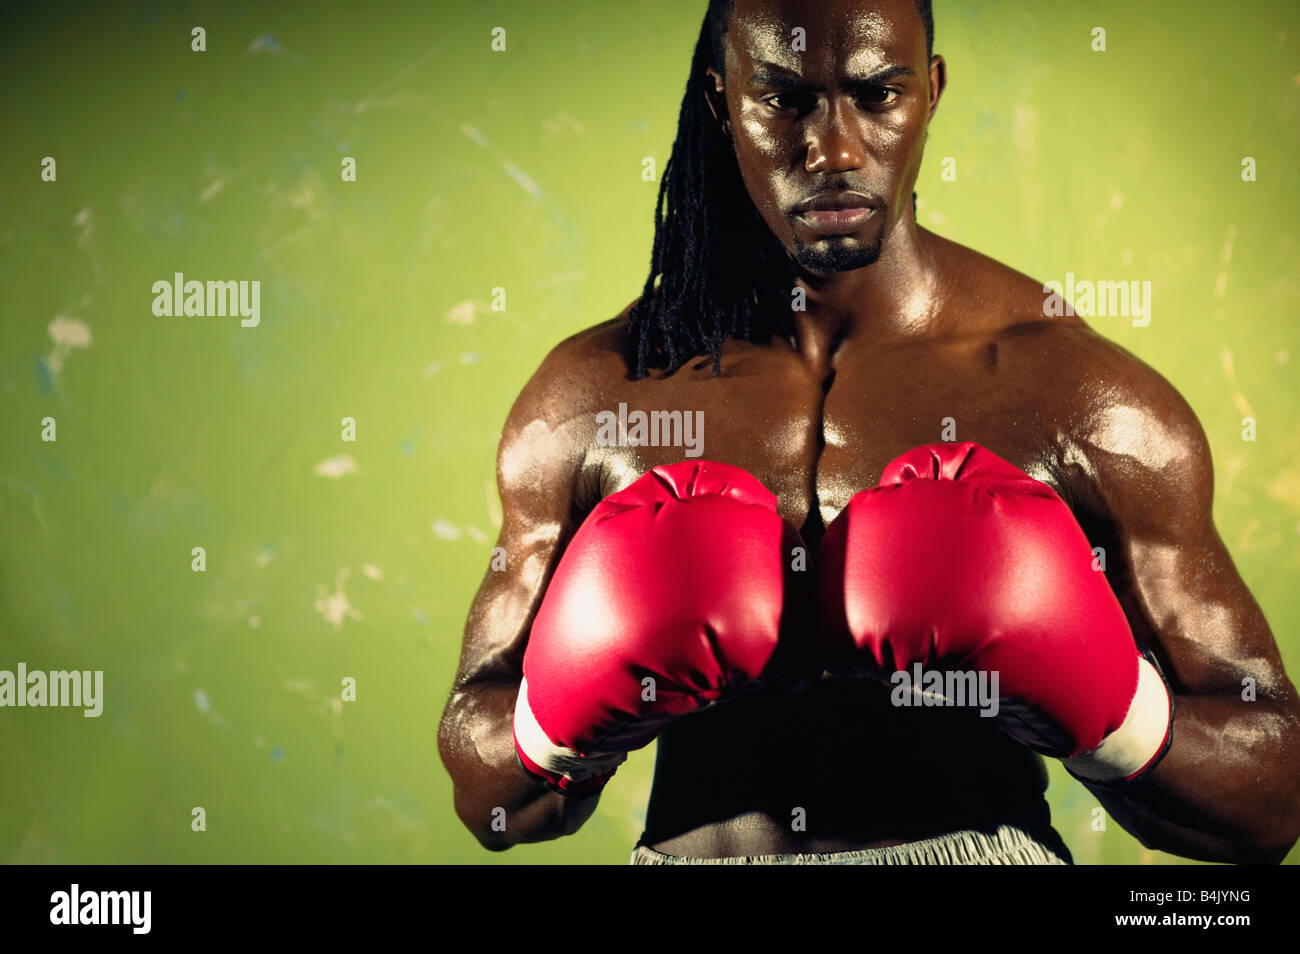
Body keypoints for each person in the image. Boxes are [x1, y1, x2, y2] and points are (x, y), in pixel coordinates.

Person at [437, 0, 1300, 864]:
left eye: (878, 95)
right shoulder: (601, 396)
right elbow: (491, 801)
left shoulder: (1075, 395)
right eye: (784, 100)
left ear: (930, 92)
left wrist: (1120, 718)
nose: (836, 151)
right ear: (719, 100)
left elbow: (1271, 801)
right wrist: (552, 731)